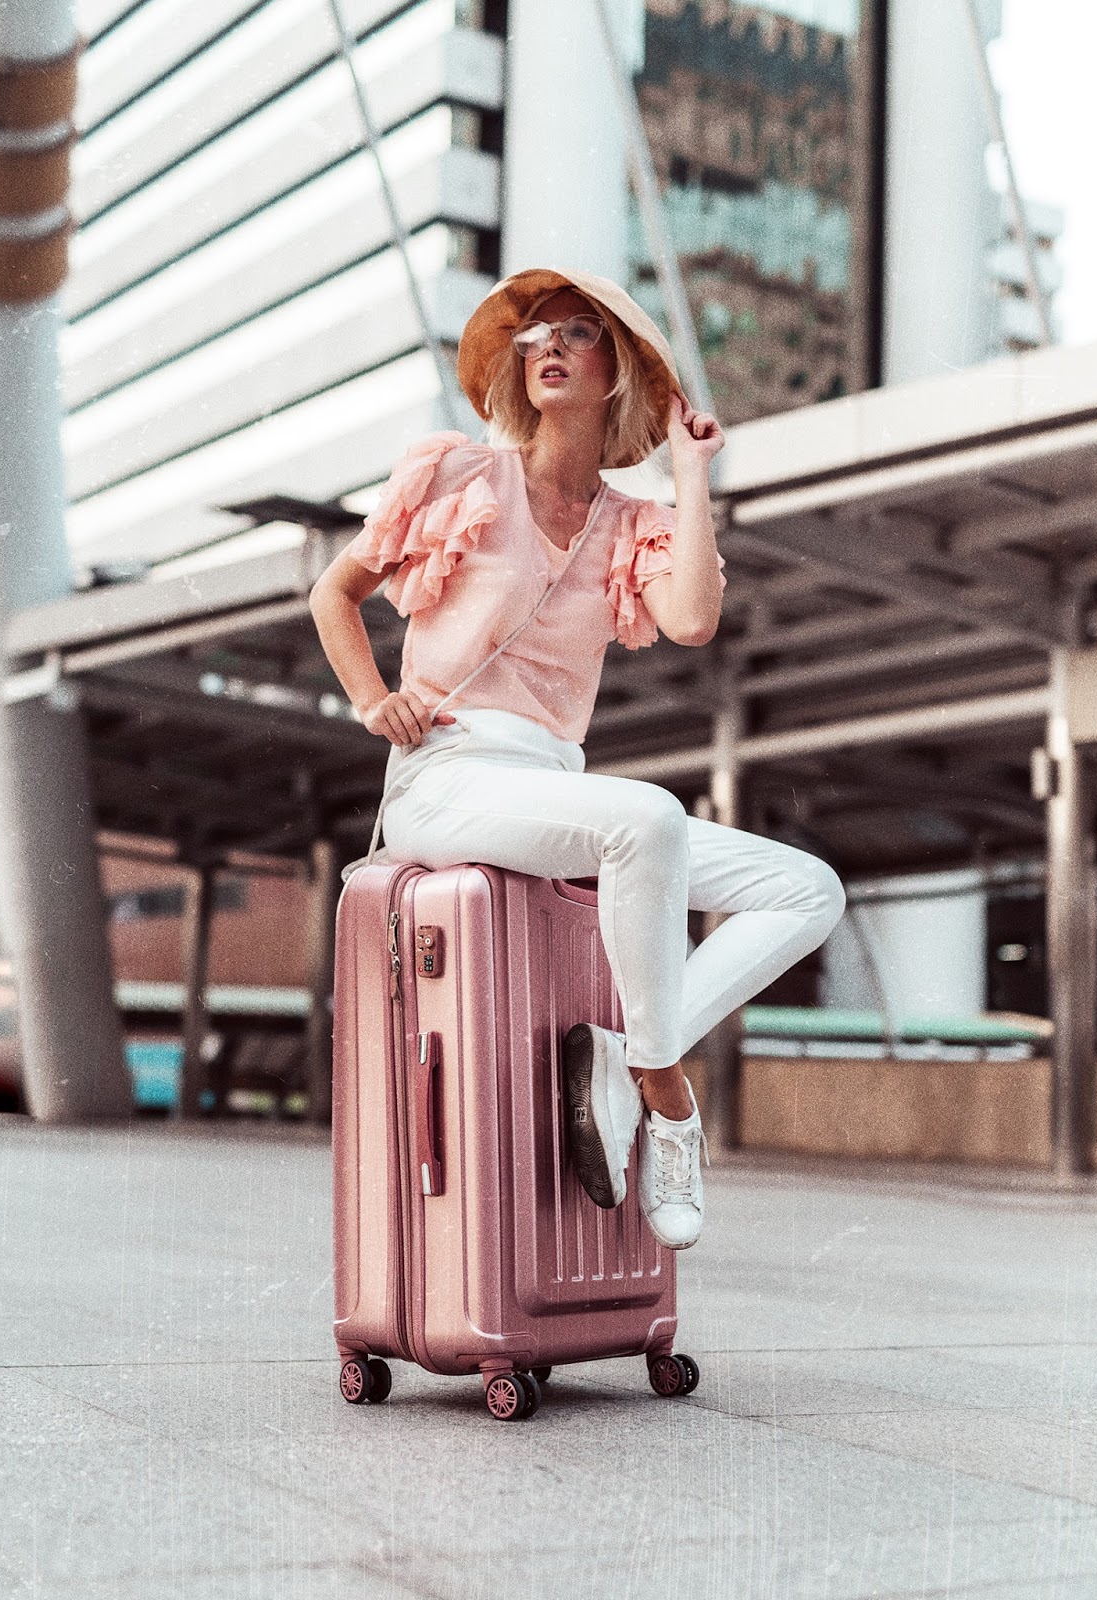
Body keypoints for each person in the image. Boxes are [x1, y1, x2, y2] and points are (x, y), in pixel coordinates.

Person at [310, 267, 845, 1250]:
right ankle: (666, 1099)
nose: (547, 345)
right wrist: (372, 699)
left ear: (618, 372)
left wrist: (691, 476)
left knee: (807, 889)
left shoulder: (630, 525)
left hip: (553, 787)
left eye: (578, 331)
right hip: (446, 776)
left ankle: (625, 1049)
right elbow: (332, 595)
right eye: (534, 335)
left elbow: (688, 618)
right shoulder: (457, 475)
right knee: (648, 817)